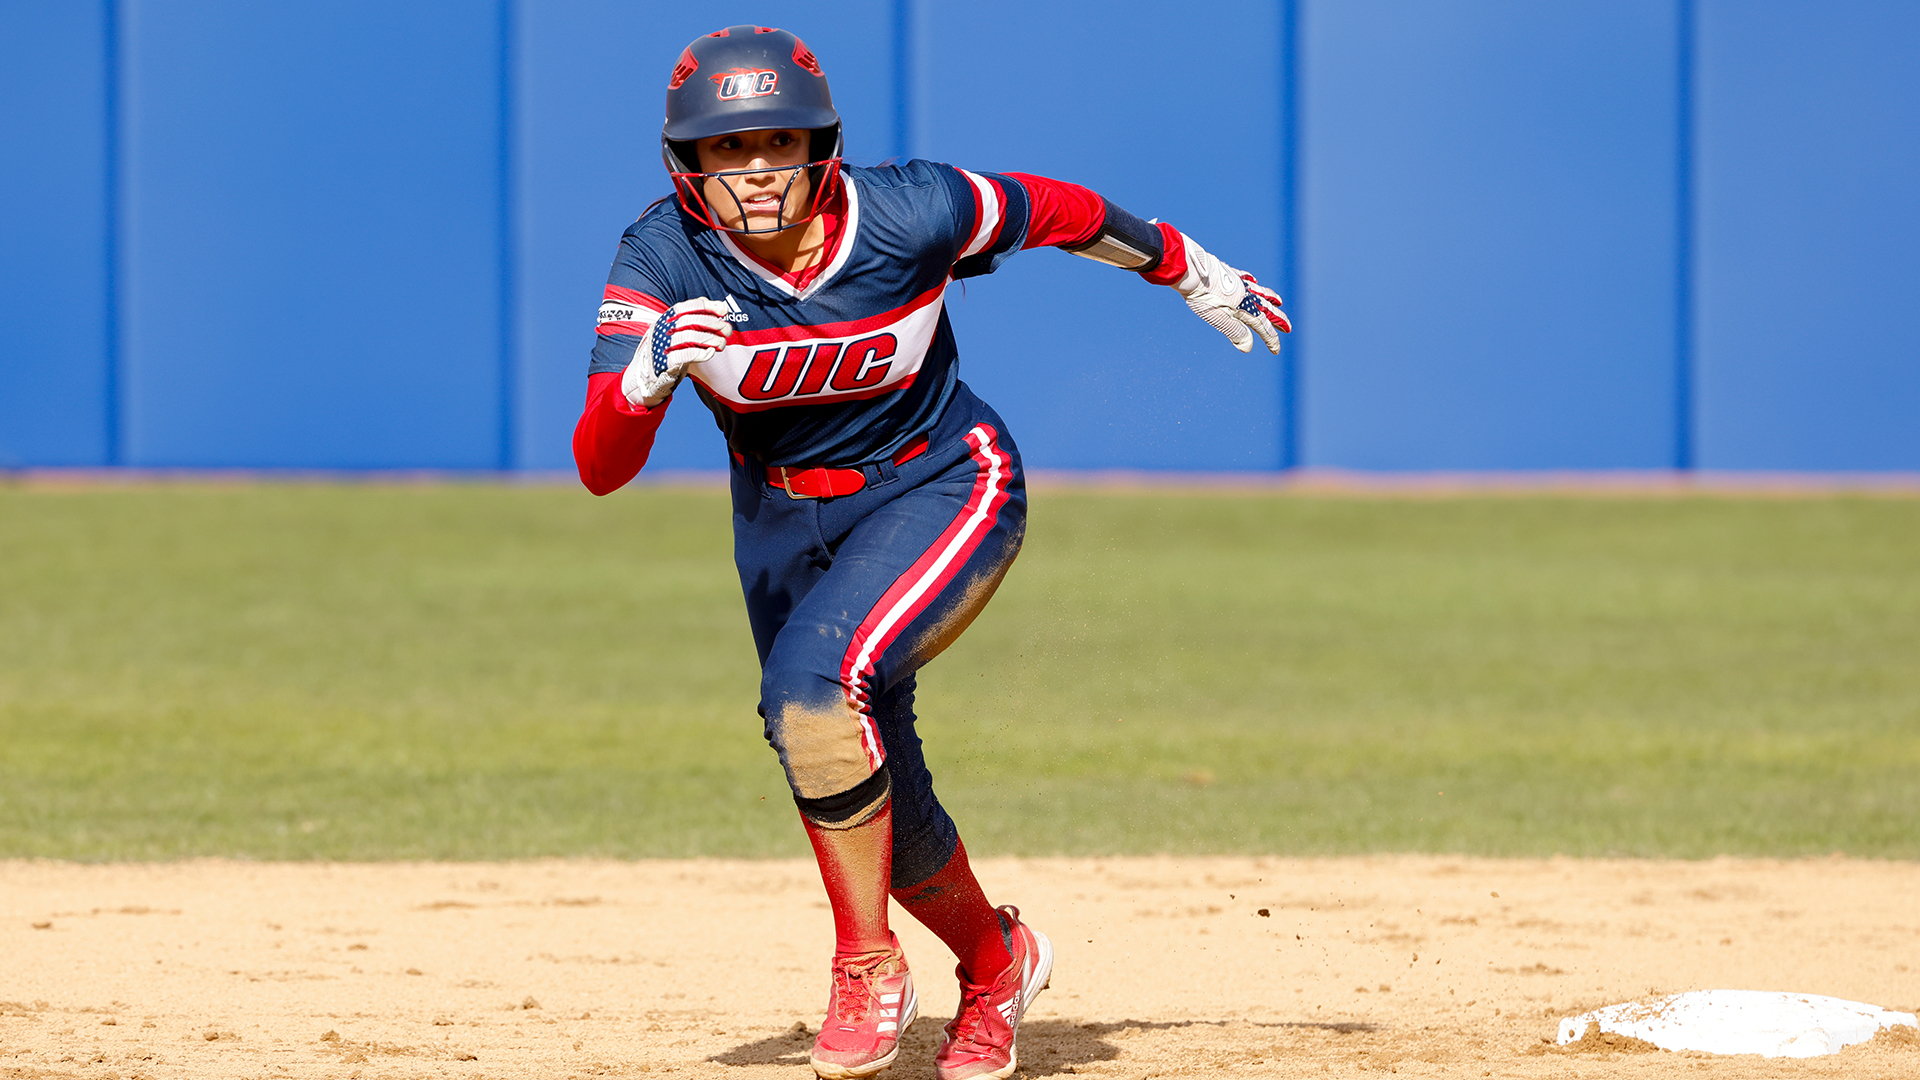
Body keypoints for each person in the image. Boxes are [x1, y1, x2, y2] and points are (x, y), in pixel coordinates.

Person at [572, 25, 1289, 1080]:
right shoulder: (661, 258)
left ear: (824, 144)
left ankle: (865, 968)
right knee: (869, 795)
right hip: (779, 529)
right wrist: (640, 382)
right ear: (684, 163)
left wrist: (1179, 264)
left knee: (814, 695)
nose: (754, 171)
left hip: (941, 482)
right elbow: (599, 466)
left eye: (777, 141)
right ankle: (998, 965)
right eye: (725, 150)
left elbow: (1061, 211)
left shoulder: (911, 212)